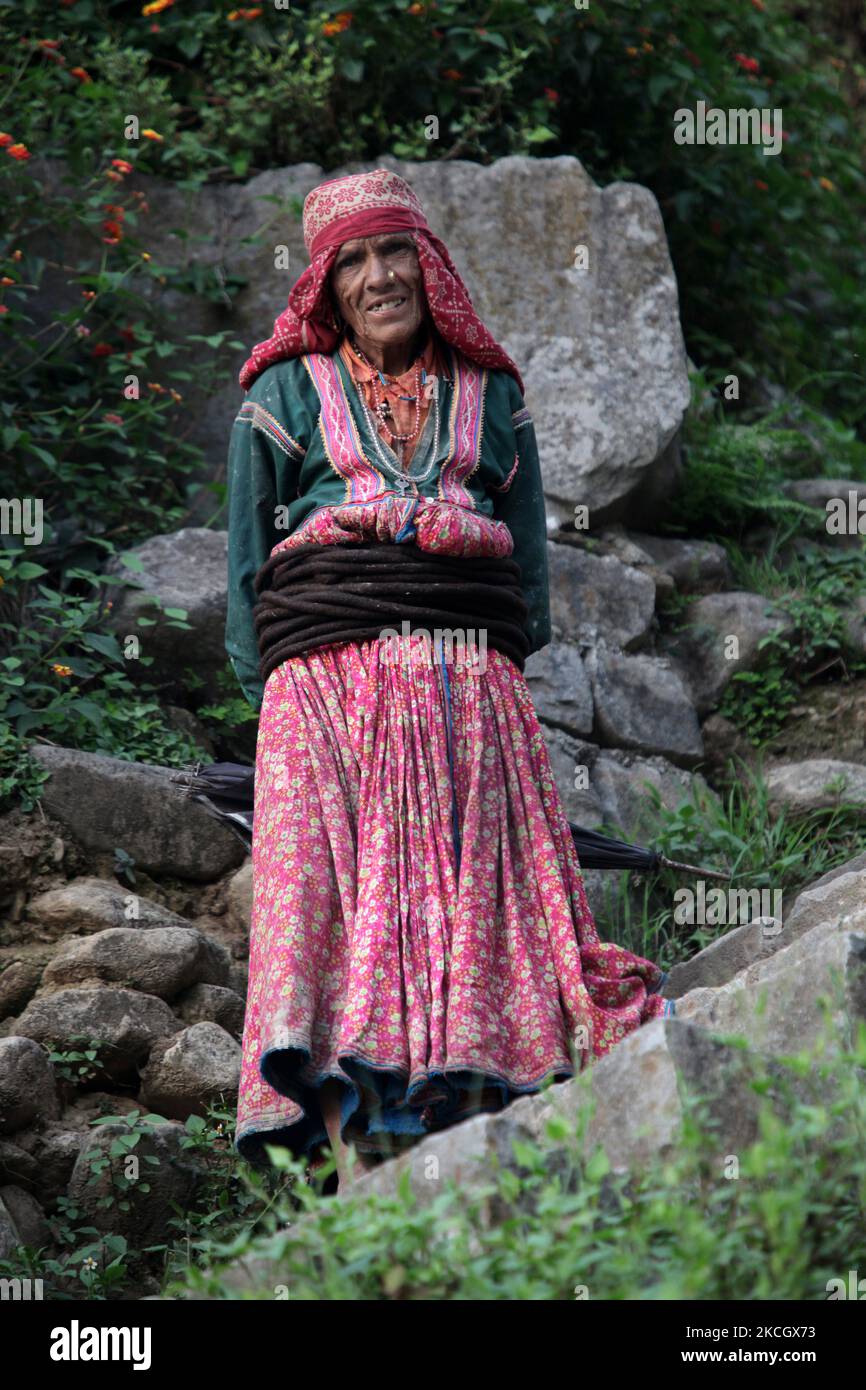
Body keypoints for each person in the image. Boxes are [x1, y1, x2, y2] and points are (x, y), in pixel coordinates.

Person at [225, 167, 671, 1191]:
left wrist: (480, 655)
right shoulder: (281, 392)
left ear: (428, 266)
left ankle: (470, 1132)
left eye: (395, 253)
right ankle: (345, 1154)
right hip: (323, 693)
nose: (379, 276)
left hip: (467, 686)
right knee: (327, 909)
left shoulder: (491, 392)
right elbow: (247, 569)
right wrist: (280, 690)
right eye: (353, 261)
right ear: (326, 284)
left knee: (470, 902)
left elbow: (525, 576)